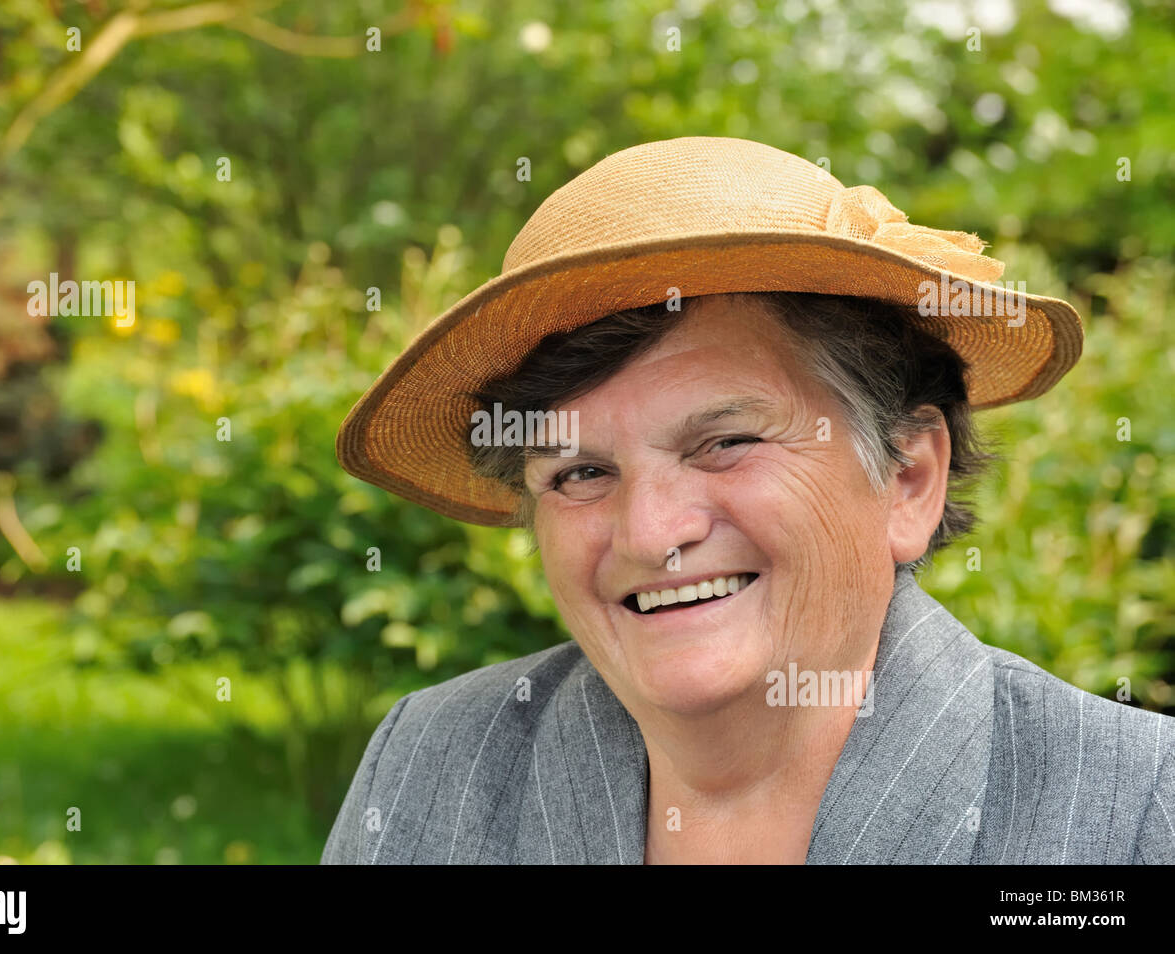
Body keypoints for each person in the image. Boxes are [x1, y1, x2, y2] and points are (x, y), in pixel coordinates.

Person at [323, 137, 1174, 864]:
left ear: (909, 478)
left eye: (726, 442)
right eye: (580, 473)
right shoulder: (429, 763)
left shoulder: (1136, 810)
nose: (653, 533)